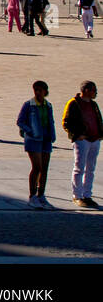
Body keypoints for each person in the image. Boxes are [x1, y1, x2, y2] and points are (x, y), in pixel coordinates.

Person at [16, 80, 56, 208]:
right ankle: (32, 196)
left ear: (45, 91)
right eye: (36, 90)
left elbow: (51, 121)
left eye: (40, 90)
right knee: (37, 167)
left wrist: (52, 135)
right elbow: (20, 121)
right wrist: (30, 131)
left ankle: (41, 195)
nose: (38, 93)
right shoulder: (28, 105)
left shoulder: (48, 105)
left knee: (44, 168)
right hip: (33, 139)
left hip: (46, 139)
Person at [62, 80, 102, 208]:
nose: (95, 92)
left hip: (94, 139)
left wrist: (100, 135)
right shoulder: (73, 103)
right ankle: (77, 196)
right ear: (86, 90)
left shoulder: (93, 104)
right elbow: (66, 122)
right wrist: (76, 135)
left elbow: (98, 119)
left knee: (91, 168)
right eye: (93, 90)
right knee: (79, 168)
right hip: (82, 140)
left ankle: (87, 195)